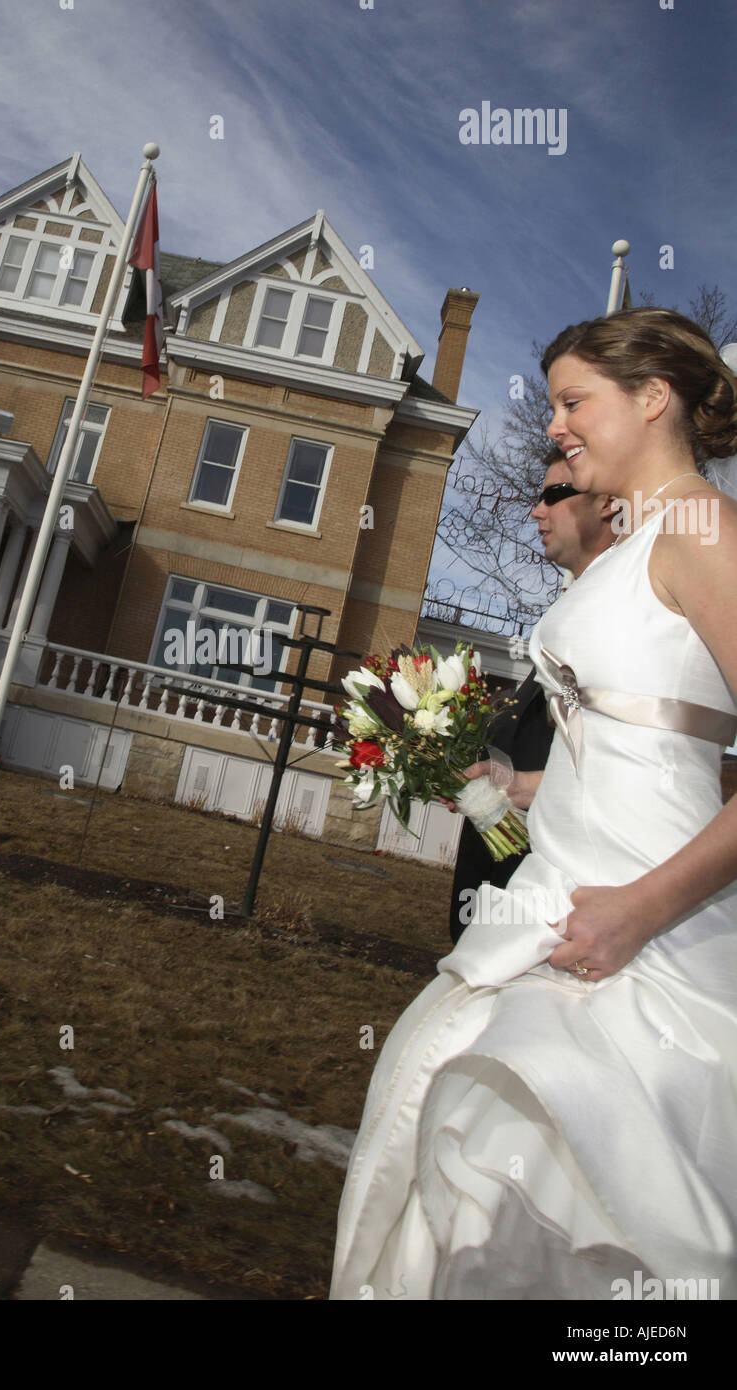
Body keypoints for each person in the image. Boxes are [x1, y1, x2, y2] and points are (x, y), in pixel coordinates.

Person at [331, 307, 737, 1300]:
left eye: (572, 401)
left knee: (556, 1176)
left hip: (650, 934)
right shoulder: (630, 550)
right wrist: (518, 785)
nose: (554, 423)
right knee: (449, 1134)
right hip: (551, 906)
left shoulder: (703, 531)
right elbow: (639, 739)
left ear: (653, 397)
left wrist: (637, 910)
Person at [448, 446, 616, 943]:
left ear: (609, 502)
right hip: (501, 895)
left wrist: (525, 785)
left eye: (554, 495)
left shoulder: (626, 616)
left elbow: (627, 768)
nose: (535, 511)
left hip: (558, 910)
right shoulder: (569, 613)